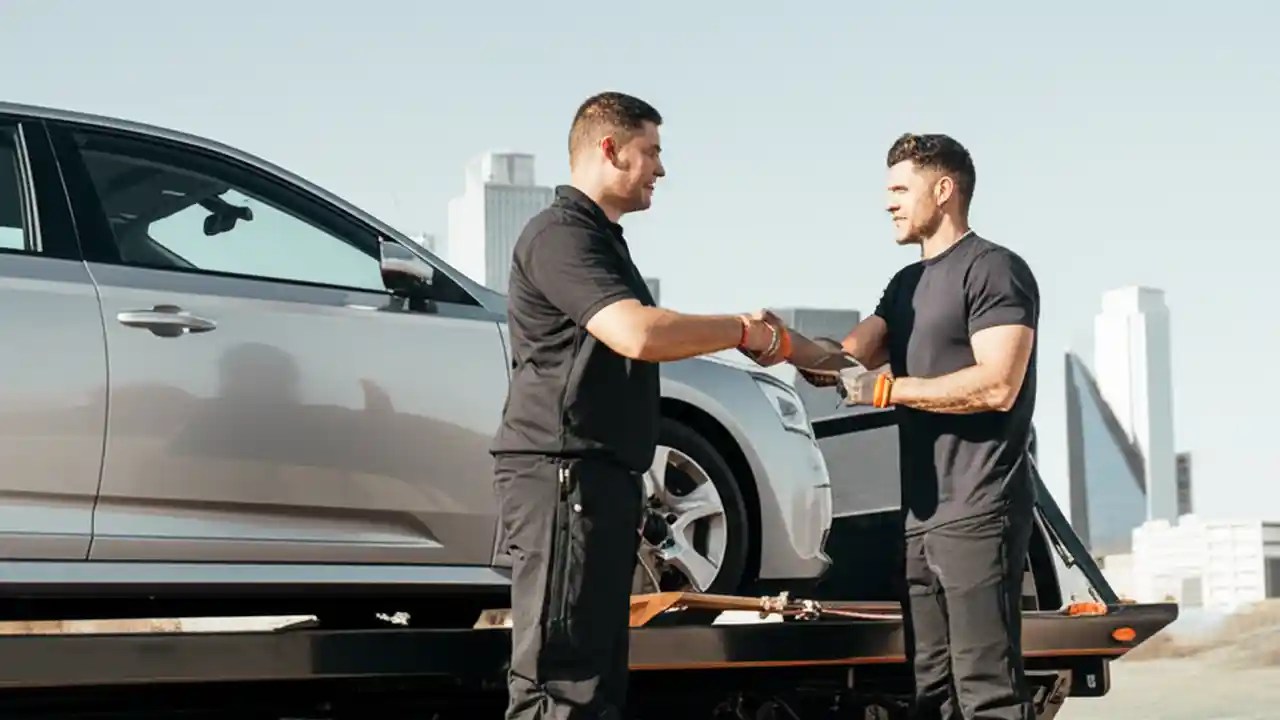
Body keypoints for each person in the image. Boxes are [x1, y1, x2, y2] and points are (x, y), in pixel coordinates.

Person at [488, 91, 789, 720]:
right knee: (561, 683)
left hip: (595, 480)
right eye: (651, 151)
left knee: (593, 684)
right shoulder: (560, 237)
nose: (660, 168)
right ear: (608, 148)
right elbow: (638, 333)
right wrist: (737, 329)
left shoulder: (600, 240)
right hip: (562, 476)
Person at [769, 133, 1040, 719]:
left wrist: (889, 389)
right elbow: (842, 365)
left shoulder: (995, 269)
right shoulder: (905, 286)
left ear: (943, 190)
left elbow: (997, 384)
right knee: (931, 694)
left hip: (980, 505)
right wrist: (779, 343)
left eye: (899, 188)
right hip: (921, 518)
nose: (887, 202)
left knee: (986, 690)